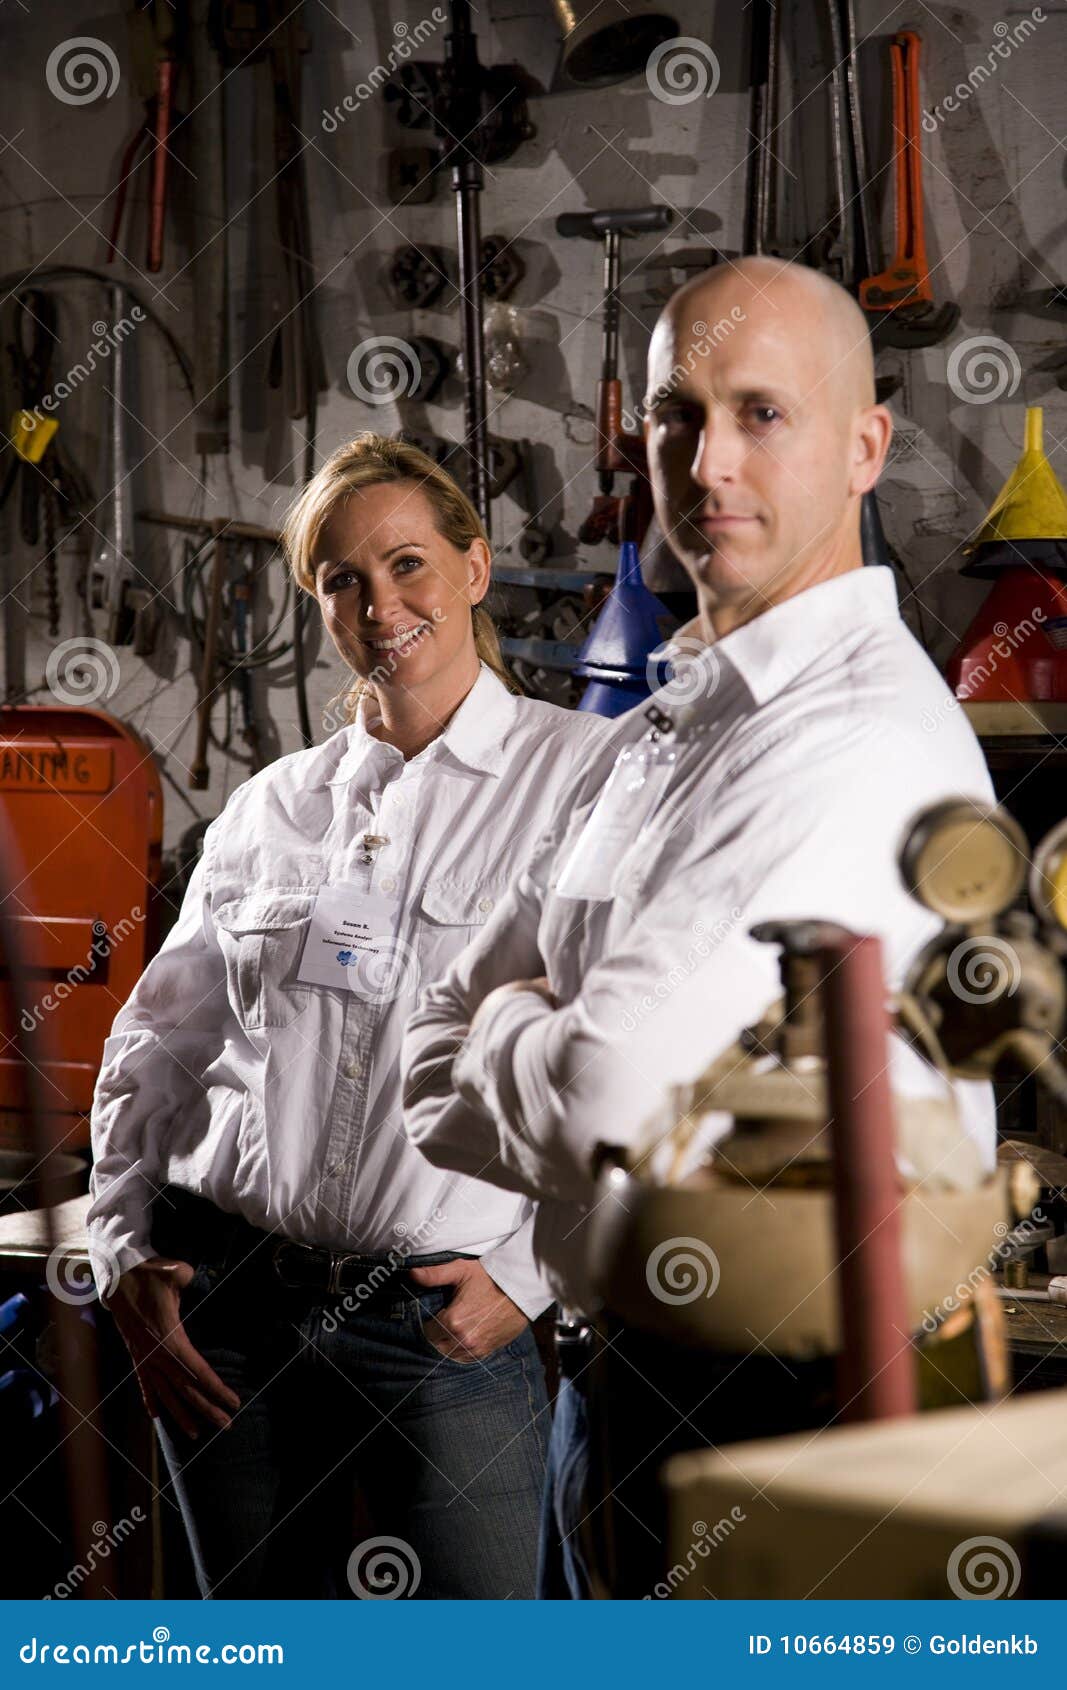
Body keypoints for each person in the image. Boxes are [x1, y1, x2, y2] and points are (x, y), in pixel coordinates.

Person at [401, 257, 998, 1596]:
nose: (707, 460)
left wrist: (503, 1016)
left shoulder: (851, 741)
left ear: (862, 448)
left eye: (758, 413)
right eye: (675, 416)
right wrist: (522, 1031)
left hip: (791, 1412)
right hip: (618, 1383)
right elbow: (418, 1053)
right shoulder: (670, 722)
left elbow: (587, 1096)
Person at [86, 432, 612, 1600]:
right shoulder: (277, 804)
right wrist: (123, 1250)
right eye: (342, 579)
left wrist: (534, 1271)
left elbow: (651, 1052)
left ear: (475, 569)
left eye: (410, 563)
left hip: (441, 1319)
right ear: (317, 603)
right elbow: (158, 1044)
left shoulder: (588, 779)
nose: (382, 604)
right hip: (230, 1312)